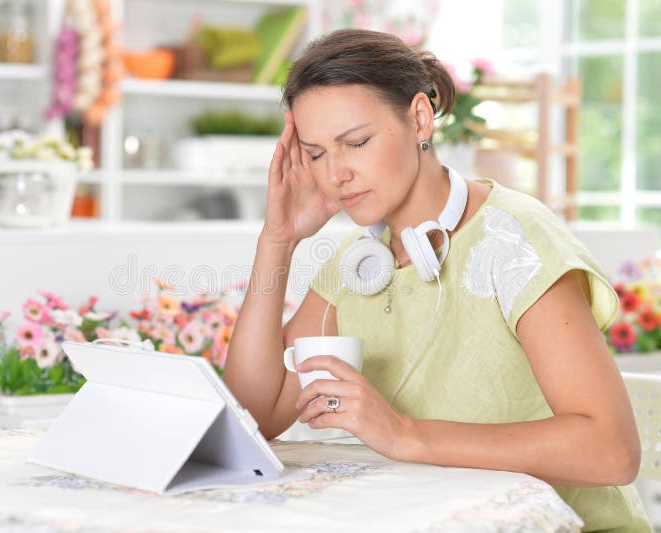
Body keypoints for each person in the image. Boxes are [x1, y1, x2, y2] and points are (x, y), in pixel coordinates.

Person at [223, 28, 650, 531]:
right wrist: (277, 241)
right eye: (316, 153)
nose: (335, 173)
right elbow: (254, 418)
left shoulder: (516, 241)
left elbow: (612, 451)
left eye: (355, 142)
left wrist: (406, 434)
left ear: (419, 117)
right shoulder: (358, 266)